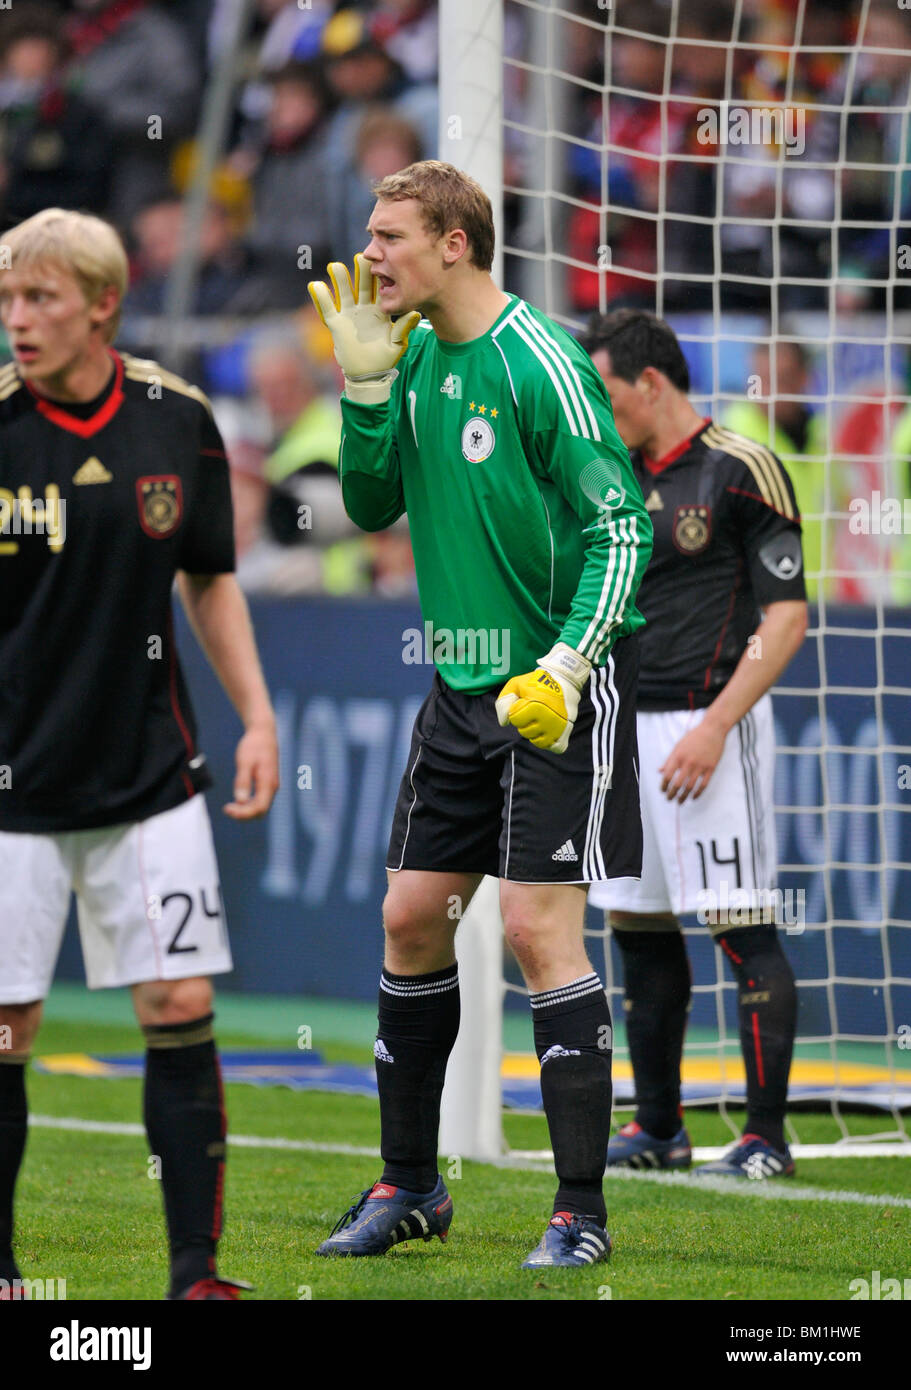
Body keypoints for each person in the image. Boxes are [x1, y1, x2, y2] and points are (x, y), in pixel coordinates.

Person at [308, 160, 652, 1267]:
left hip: (553, 688)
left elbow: (622, 529)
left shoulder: (541, 363)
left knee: (532, 931)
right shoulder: (405, 357)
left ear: (454, 242)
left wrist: (562, 665)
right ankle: (411, 1184)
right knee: (410, 917)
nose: (372, 255)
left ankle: (579, 1212)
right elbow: (368, 507)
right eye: (370, 234)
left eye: (391, 236)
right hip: (456, 688)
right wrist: (362, 396)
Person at [0, 208, 279, 1299]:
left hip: (148, 775)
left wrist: (256, 717)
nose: (17, 320)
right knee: (9, 1026)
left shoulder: (178, 422)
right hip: (11, 784)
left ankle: (195, 1275)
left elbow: (208, 576)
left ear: (102, 305)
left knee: (177, 1008)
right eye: (9, 299)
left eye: (40, 299)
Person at [581, 309, 808, 1179]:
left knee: (740, 925)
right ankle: (659, 1127)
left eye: (606, 391)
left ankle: (763, 1137)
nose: (599, 411)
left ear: (650, 383)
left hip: (712, 727)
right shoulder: (607, 475)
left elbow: (785, 618)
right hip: (624, 729)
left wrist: (716, 726)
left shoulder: (739, 469)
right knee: (637, 926)